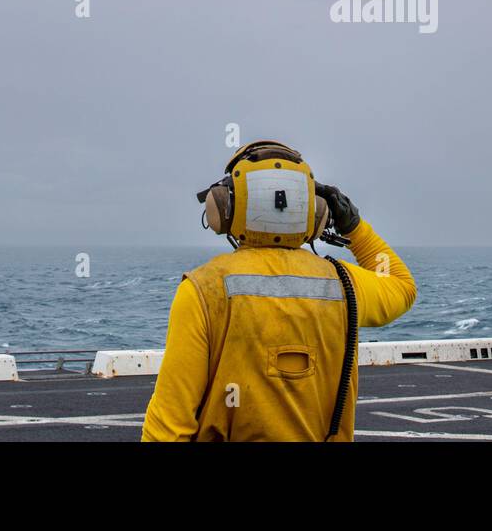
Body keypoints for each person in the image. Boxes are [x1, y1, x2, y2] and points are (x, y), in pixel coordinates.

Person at [142, 140, 417, 442]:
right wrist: (354, 227)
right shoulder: (343, 283)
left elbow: (168, 426)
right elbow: (401, 286)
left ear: (224, 208)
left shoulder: (203, 289)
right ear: (316, 212)